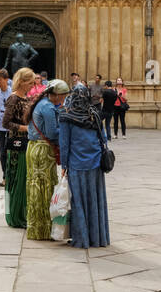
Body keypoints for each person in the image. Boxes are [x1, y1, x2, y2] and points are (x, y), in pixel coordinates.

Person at [58, 83, 110, 249]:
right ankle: (98, 238)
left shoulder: (67, 115)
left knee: (79, 200)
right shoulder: (93, 112)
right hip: (95, 162)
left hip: (77, 163)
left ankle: (82, 238)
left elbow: (64, 143)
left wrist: (64, 164)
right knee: (95, 199)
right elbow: (103, 137)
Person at [26, 79, 68, 241]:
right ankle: (44, 229)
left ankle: (36, 228)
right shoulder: (48, 107)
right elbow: (52, 133)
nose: (63, 99)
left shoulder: (41, 103)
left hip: (33, 148)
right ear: (56, 95)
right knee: (45, 189)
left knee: (35, 188)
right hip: (43, 150)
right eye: (63, 96)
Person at [3, 68, 36, 227]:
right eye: (30, 83)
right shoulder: (13, 98)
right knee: (17, 180)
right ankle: (15, 217)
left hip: (26, 143)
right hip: (17, 145)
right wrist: (25, 128)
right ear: (21, 82)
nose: (32, 85)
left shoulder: (26, 98)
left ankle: (22, 214)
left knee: (24, 181)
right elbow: (6, 123)